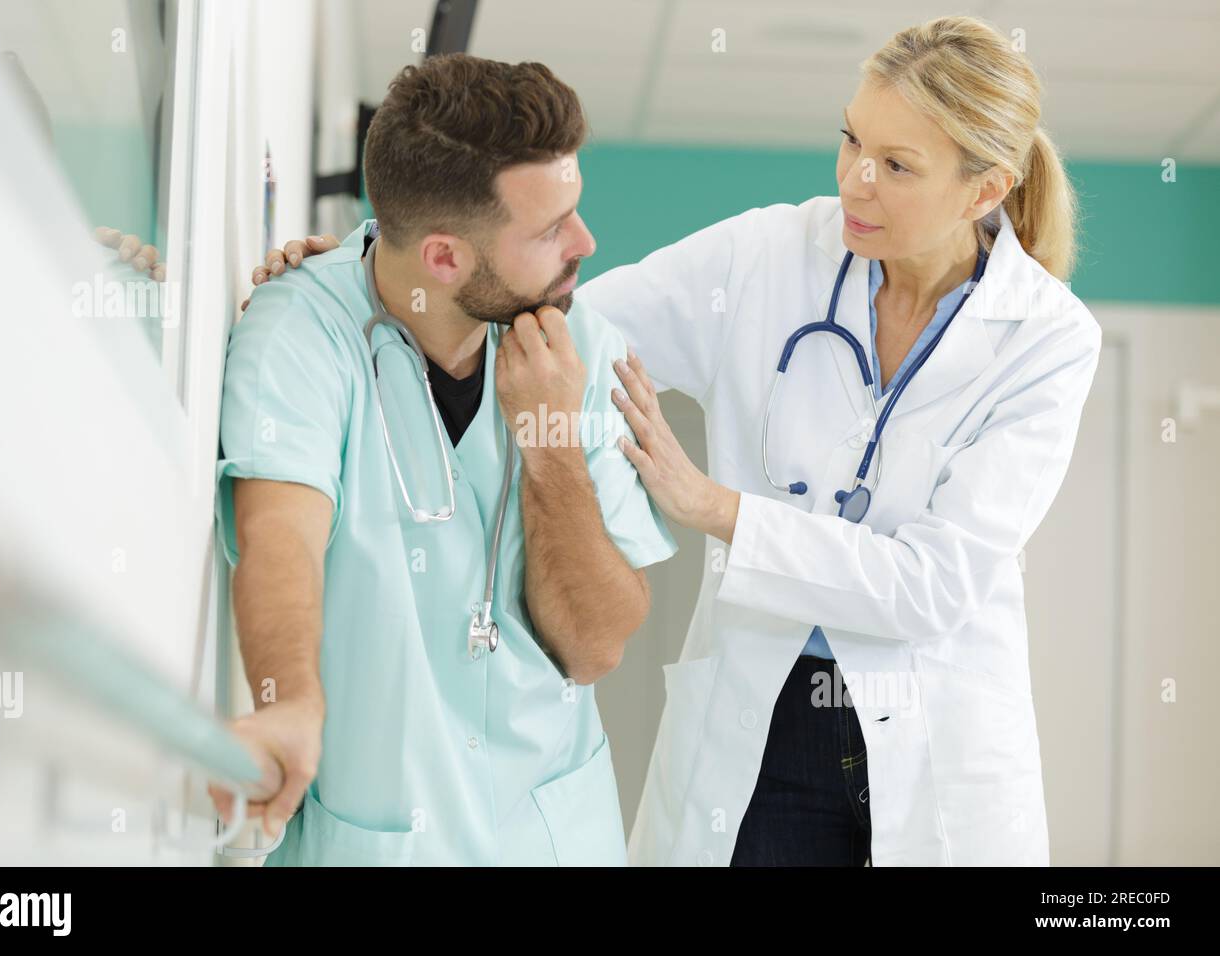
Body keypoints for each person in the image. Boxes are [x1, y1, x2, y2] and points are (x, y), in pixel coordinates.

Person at [262, 16, 1101, 866]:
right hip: (762, 724)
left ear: (986, 189)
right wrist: (387, 273)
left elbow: (934, 587)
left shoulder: (1044, 341)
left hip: (930, 743)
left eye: (897, 166)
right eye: (851, 140)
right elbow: (568, 326)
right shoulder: (773, 253)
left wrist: (714, 506)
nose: (854, 181)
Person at [210, 53, 675, 866]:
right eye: (549, 230)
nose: (586, 242)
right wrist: (288, 701)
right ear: (444, 259)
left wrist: (551, 444)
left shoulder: (582, 347)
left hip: (553, 837)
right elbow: (279, 537)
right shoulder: (302, 334)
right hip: (381, 835)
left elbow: (596, 646)